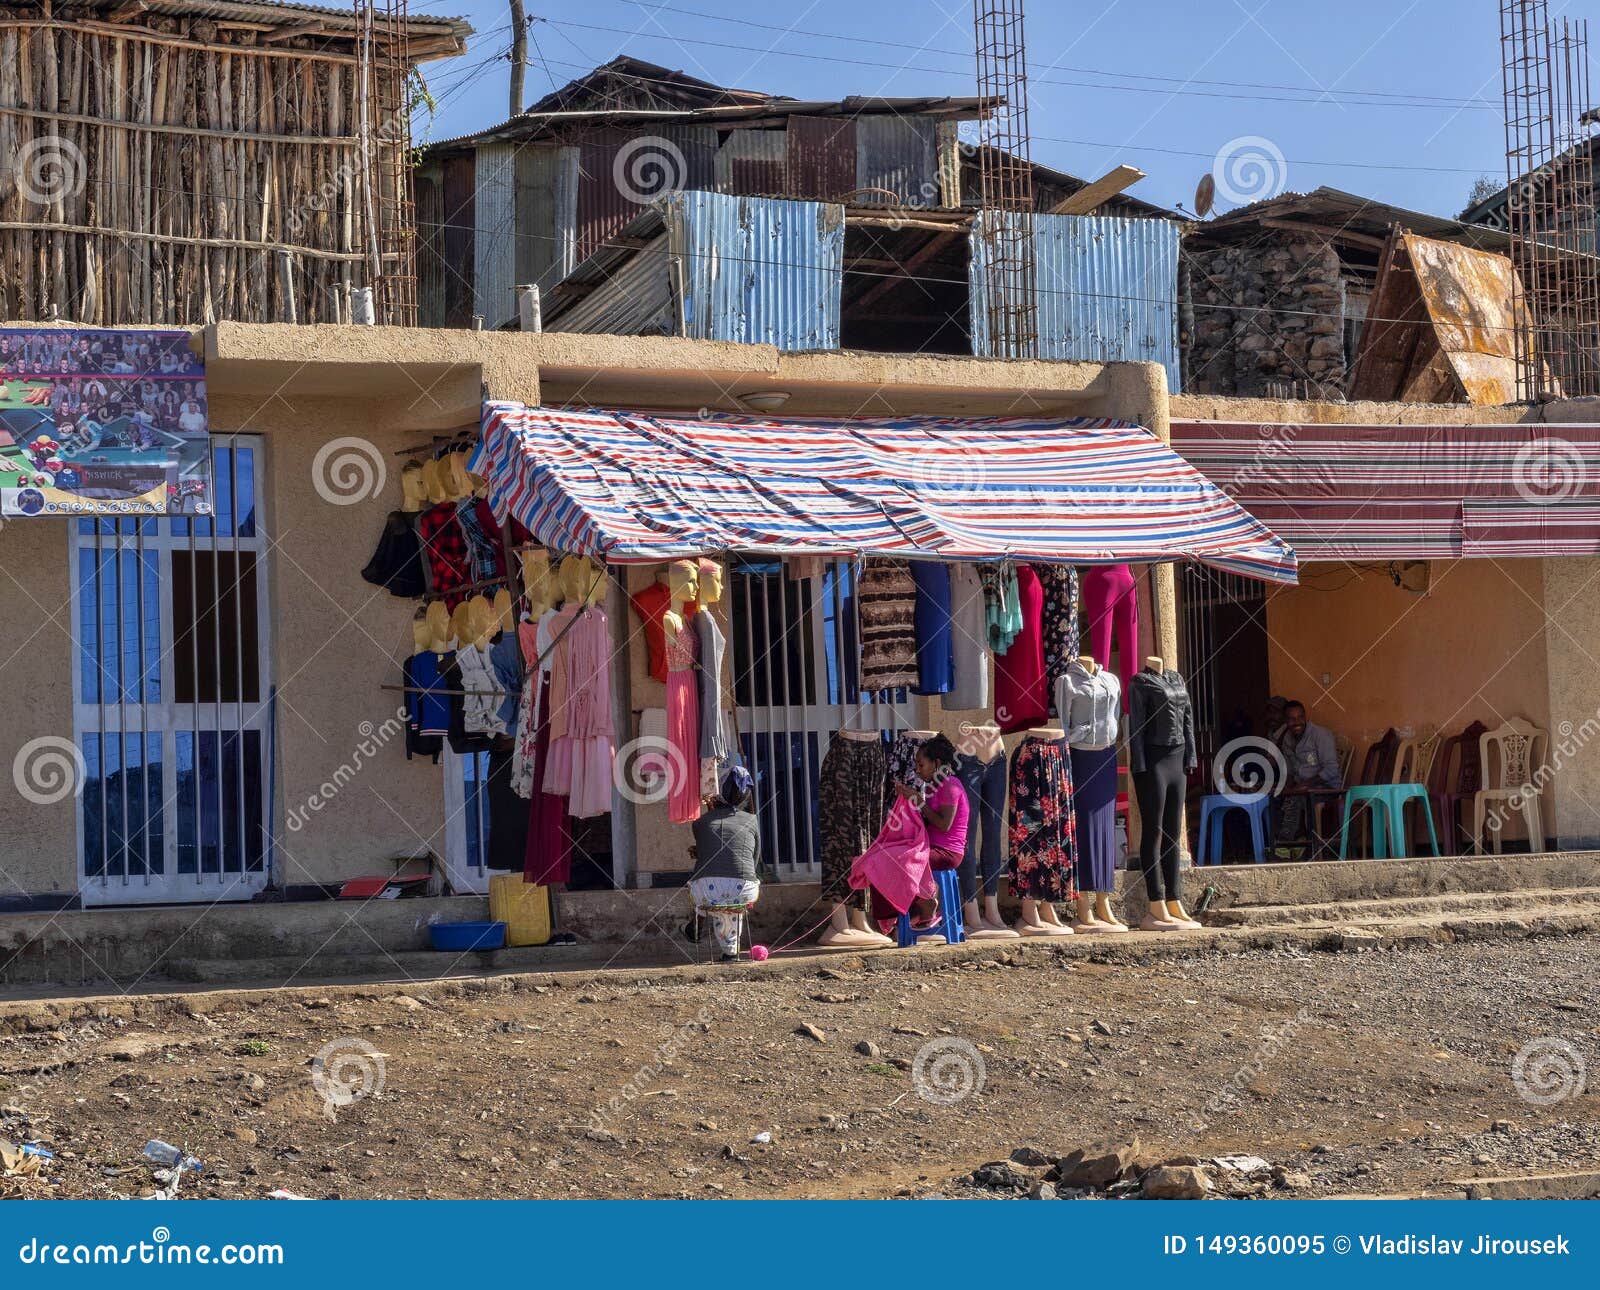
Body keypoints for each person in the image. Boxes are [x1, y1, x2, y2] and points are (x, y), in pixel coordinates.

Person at [687, 766, 761, 962]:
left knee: (705, 882)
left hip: (707, 892)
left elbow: (706, 852)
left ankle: (699, 923)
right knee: (729, 895)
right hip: (744, 890)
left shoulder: (700, 823)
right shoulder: (752, 820)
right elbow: (754, 859)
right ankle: (730, 950)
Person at [894, 734, 968, 929]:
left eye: (921, 765)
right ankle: (917, 910)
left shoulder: (950, 785)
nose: (918, 771)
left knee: (903, 860)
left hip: (948, 853)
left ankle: (927, 906)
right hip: (933, 847)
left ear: (936, 763)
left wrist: (919, 802)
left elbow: (944, 825)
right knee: (892, 855)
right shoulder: (933, 788)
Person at [1273, 700, 1343, 856]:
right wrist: (1285, 789)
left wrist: (1303, 786)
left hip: (1328, 787)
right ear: (1286, 722)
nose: (1297, 722)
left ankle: (1286, 843)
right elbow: (1290, 772)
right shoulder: (1287, 740)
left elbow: (1331, 770)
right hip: (1303, 787)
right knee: (1276, 797)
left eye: (1300, 717)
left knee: (1299, 796)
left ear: (1305, 717)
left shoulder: (1321, 735)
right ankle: (1297, 841)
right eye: (1291, 719)